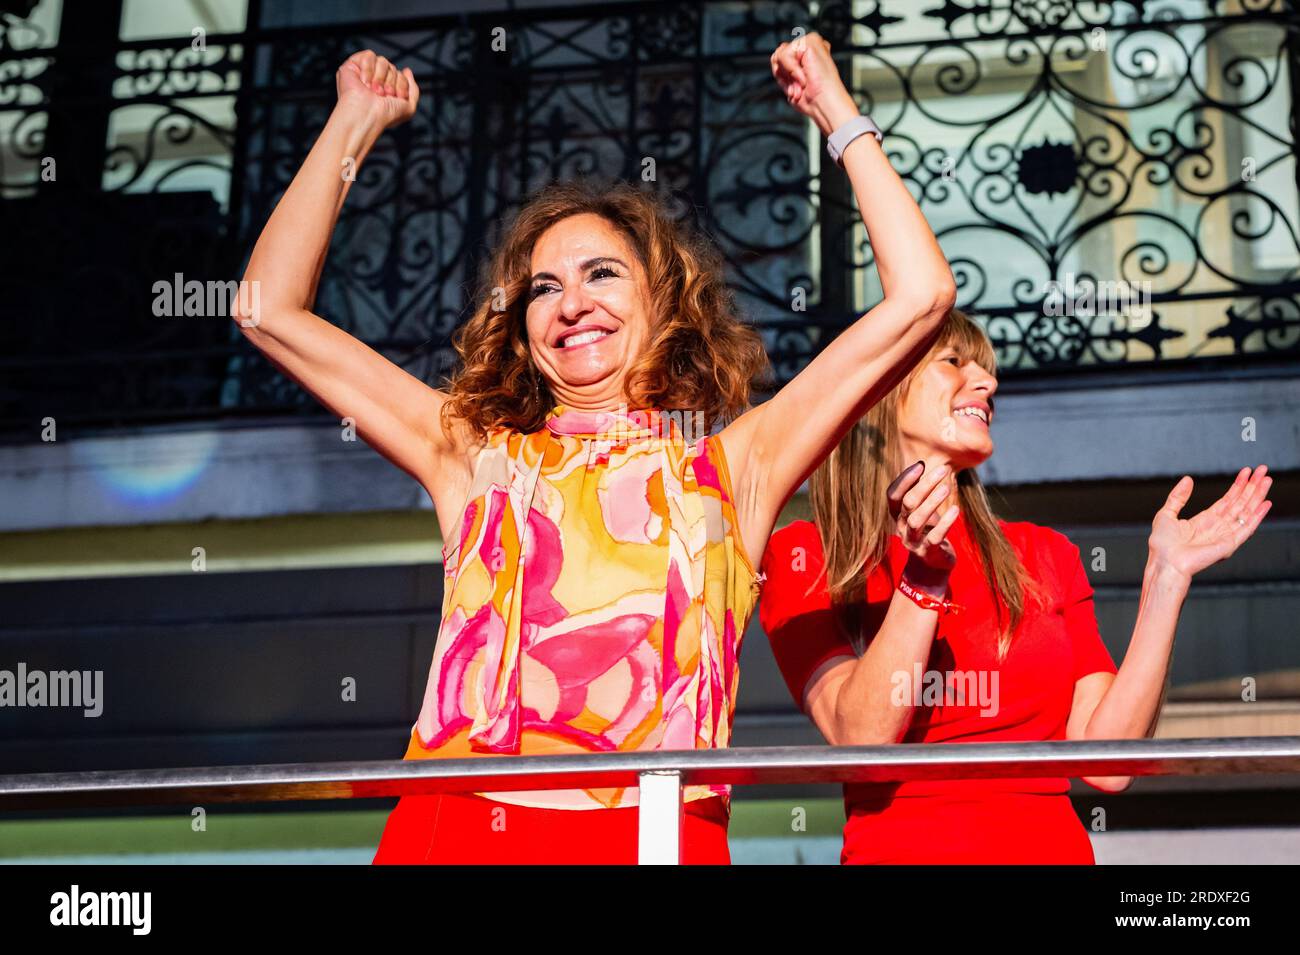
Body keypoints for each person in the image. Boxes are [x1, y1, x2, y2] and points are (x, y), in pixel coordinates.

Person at [233, 36, 957, 863]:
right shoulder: (476, 456)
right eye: (545, 287)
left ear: (663, 302)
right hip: (457, 824)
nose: (571, 302)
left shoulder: (735, 465)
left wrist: (834, 111)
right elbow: (266, 309)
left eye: (602, 274)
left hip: (653, 832)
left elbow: (923, 294)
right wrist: (352, 126)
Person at [758, 307, 1273, 864]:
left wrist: (1165, 580)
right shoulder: (806, 553)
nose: (987, 382)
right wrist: (923, 579)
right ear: (879, 385)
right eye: (955, 362)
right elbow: (859, 734)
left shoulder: (1045, 553)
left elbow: (1111, 765)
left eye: (986, 369)